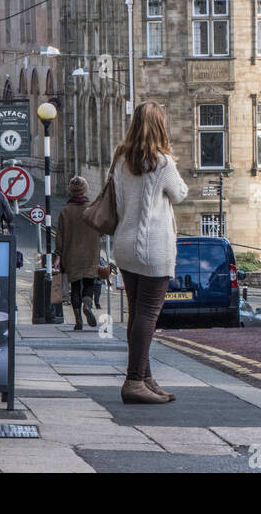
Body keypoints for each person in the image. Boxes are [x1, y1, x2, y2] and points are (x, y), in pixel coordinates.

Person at [111, 101, 189, 404]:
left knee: (136, 312)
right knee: (148, 314)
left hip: (124, 245)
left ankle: (144, 377)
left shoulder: (120, 159)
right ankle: (133, 380)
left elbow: (118, 202)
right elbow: (180, 193)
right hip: (153, 248)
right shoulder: (162, 162)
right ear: (160, 126)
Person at [56, 176, 101, 331]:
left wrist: (58, 254)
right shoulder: (92, 209)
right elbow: (101, 230)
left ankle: (78, 321)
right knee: (89, 283)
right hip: (90, 252)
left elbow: (60, 236)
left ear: (71, 190)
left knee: (75, 286)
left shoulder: (65, 211)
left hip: (71, 254)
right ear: (85, 189)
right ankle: (87, 305)